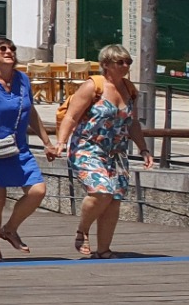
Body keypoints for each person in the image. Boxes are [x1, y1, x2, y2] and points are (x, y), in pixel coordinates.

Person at [48, 44, 155, 259]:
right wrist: (60, 142)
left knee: (114, 199)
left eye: (128, 62)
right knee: (101, 191)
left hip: (116, 152)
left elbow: (133, 123)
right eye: (120, 62)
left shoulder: (130, 90)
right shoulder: (93, 86)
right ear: (106, 64)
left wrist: (144, 149)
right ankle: (82, 230)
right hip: (87, 147)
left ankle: (104, 249)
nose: (126, 66)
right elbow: (71, 116)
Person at [0, 37, 57, 263]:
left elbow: (30, 112)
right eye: (3, 49)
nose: (9, 52)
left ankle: (10, 229)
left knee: (38, 190)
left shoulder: (23, 80)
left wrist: (47, 141)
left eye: (12, 49)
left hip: (18, 149)